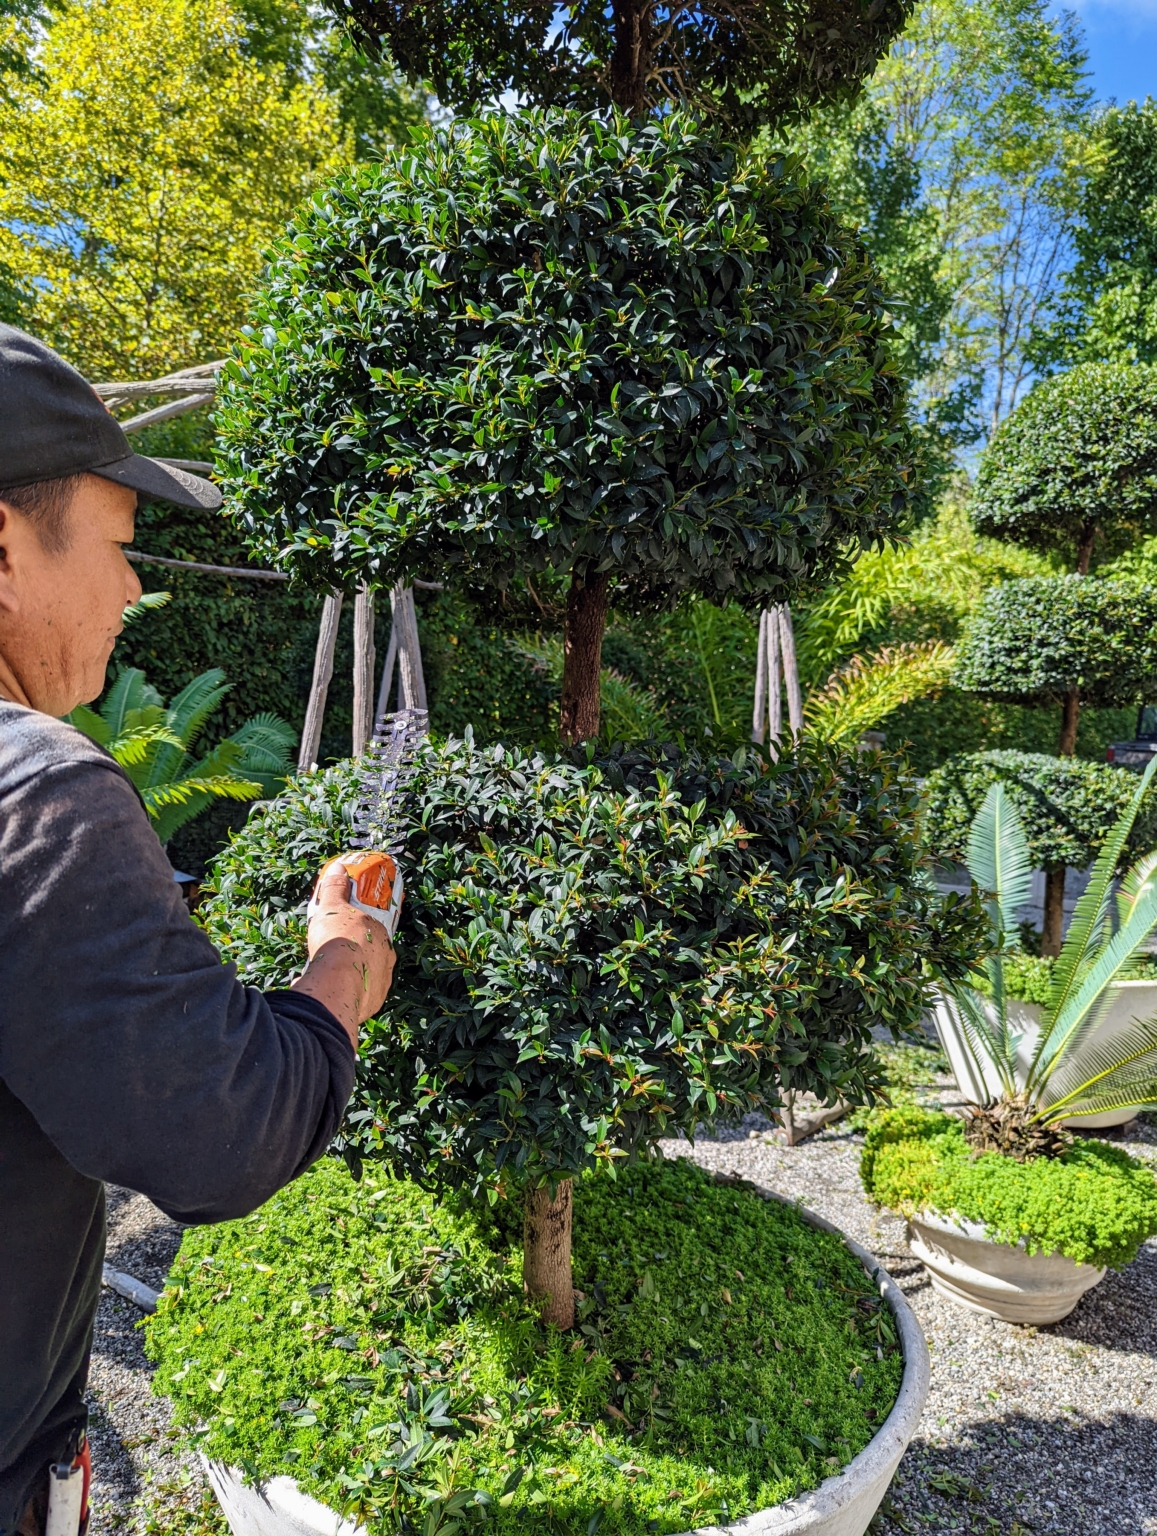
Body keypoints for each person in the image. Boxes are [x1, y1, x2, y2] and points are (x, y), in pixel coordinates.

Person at [0, 325, 396, 1536]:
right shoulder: (34, 791)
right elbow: (220, 1130)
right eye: (119, 550)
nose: (134, 590)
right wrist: (340, 963)